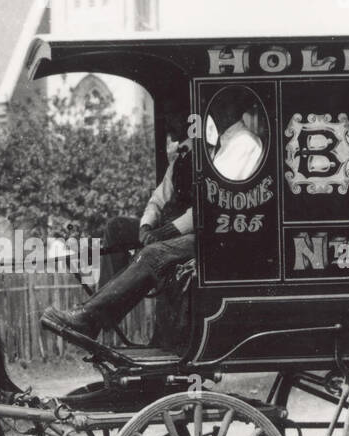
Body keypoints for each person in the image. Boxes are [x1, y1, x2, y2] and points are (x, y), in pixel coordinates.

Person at [42, 87, 264, 340]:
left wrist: (168, 231)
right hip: (200, 231)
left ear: (233, 108)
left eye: (220, 103)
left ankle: (90, 318)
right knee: (119, 228)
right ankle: (100, 305)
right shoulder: (216, 147)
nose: (214, 109)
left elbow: (212, 204)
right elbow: (160, 197)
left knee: (154, 253)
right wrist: (147, 227)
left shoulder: (243, 144)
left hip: (220, 238)